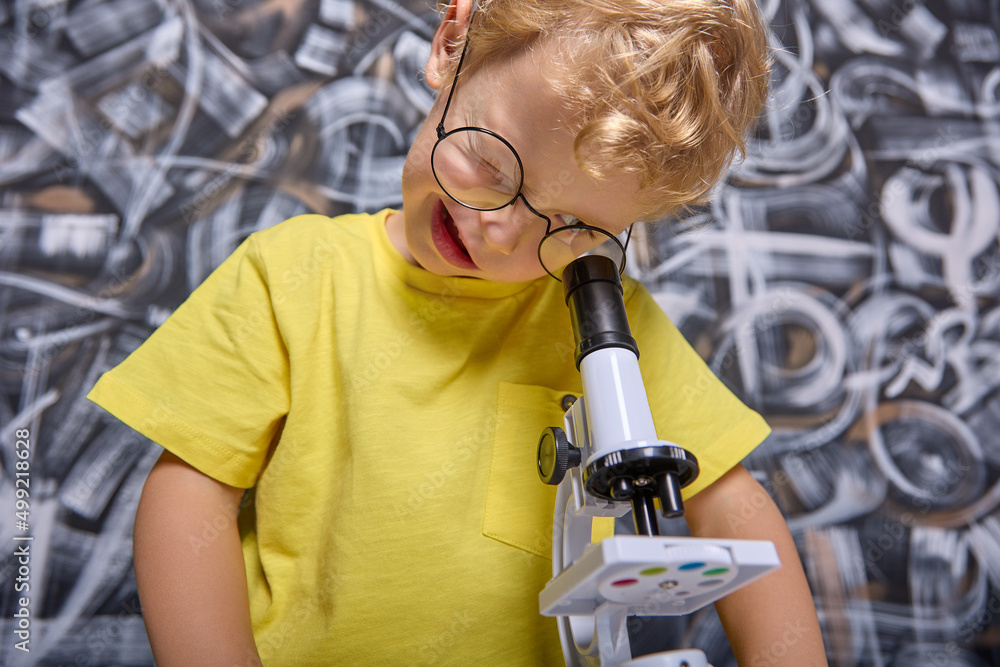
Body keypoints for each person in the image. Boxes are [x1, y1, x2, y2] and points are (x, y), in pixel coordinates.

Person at [87, 0, 828, 664]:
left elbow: (732, 503)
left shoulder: (605, 320)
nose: (501, 229)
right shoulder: (291, 277)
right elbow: (189, 495)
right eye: (489, 158)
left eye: (571, 226)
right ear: (453, 43)